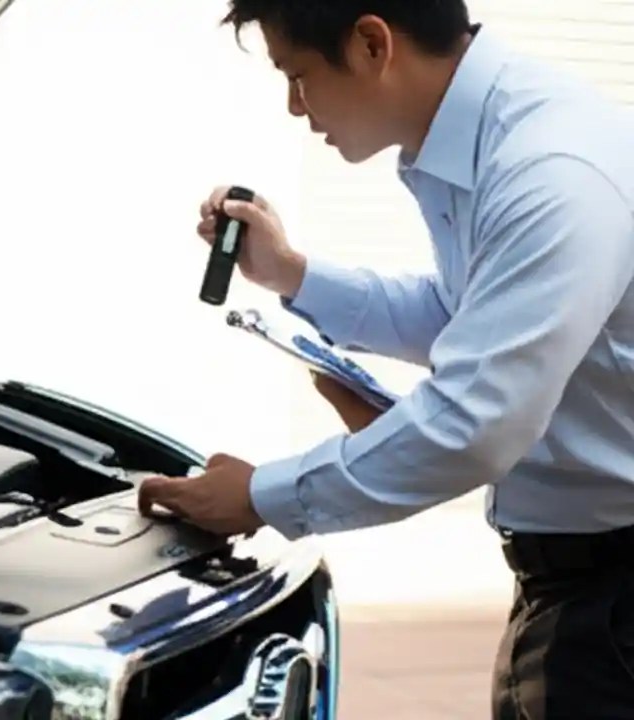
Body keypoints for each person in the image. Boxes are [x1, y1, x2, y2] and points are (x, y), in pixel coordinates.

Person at [136, 1, 634, 717]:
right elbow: (465, 313)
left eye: (298, 75)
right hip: (573, 579)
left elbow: (474, 424)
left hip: (613, 595)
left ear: (372, 43)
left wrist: (259, 496)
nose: (293, 107)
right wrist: (290, 274)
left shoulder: (551, 170)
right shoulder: (493, 138)